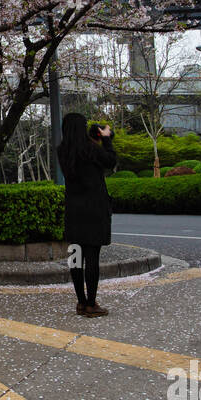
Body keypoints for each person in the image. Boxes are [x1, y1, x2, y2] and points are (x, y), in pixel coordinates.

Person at [57, 113, 116, 317]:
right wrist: (106, 139)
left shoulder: (62, 151)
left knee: (75, 256)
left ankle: (81, 302)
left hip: (73, 210)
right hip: (93, 209)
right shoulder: (90, 149)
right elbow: (110, 161)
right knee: (92, 257)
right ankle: (91, 304)